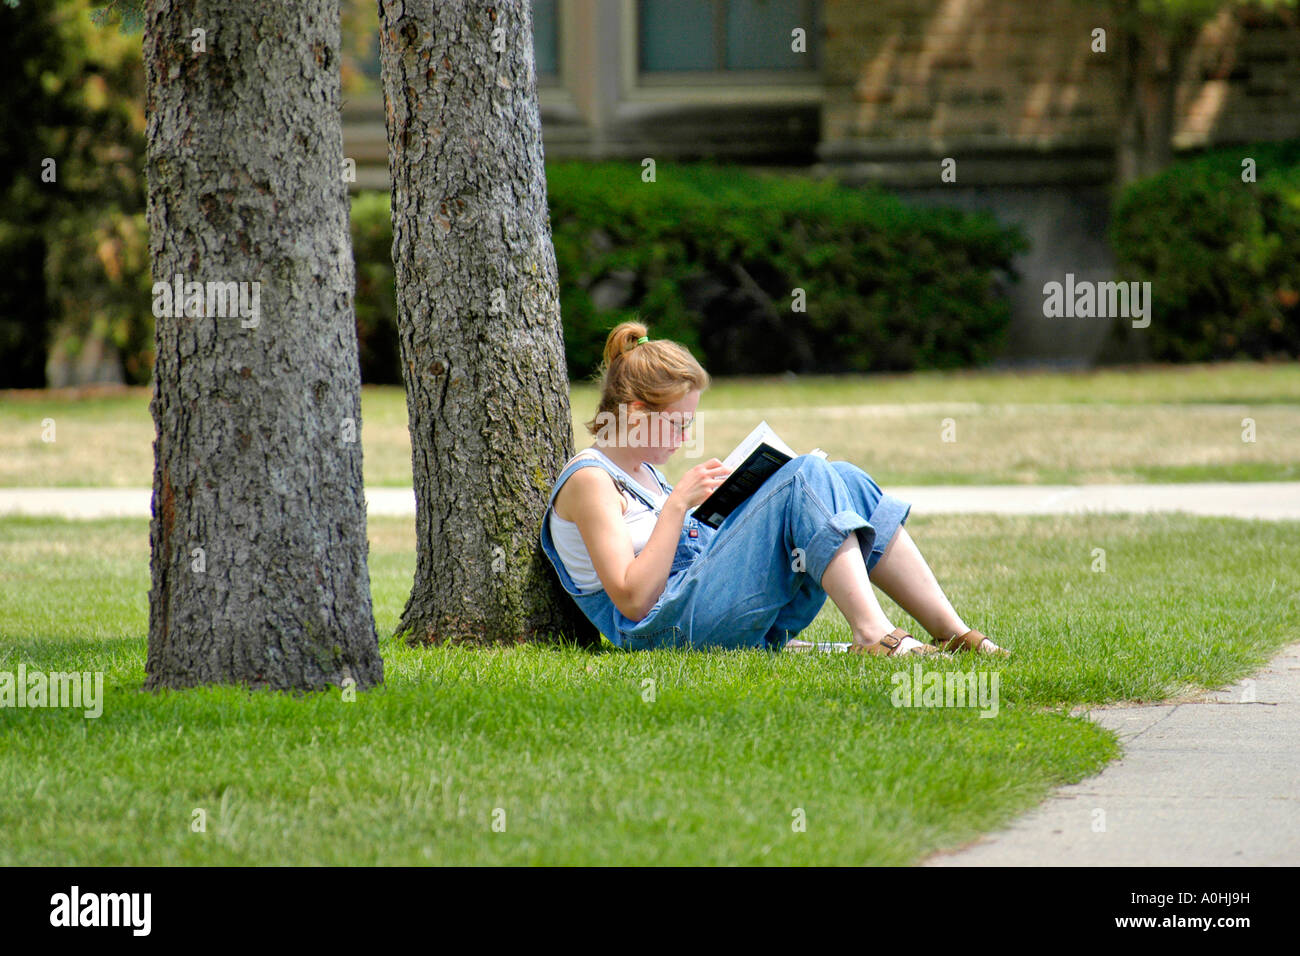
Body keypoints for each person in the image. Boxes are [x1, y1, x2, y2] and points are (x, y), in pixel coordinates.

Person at [539, 321, 1008, 657]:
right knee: (804, 475)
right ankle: (873, 632)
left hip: (698, 605)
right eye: (678, 425)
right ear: (637, 412)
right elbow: (633, 600)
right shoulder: (590, 481)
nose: (685, 437)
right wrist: (678, 504)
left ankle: (953, 632)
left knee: (842, 477)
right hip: (663, 628)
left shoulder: (642, 471)